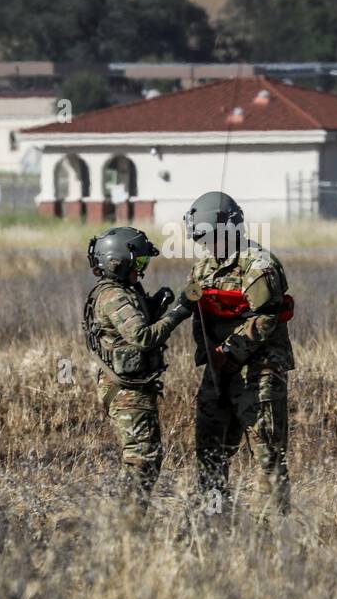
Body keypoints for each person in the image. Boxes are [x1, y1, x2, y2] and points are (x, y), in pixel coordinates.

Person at [182, 192, 295, 516]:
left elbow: (267, 317)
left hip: (258, 374)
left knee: (268, 455)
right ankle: (215, 519)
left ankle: (277, 528)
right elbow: (190, 305)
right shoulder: (202, 268)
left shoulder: (259, 265)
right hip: (217, 375)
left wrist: (230, 351)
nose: (205, 245)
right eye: (199, 239)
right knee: (210, 453)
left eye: (209, 237)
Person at [83, 226, 194, 512]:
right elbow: (143, 337)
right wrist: (178, 313)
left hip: (132, 387)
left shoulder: (124, 291)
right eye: (139, 263)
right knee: (141, 459)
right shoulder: (114, 297)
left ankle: (131, 518)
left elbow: (132, 328)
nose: (141, 270)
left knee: (147, 457)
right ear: (117, 263)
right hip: (125, 391)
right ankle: (129, 522)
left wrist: (157, 306)